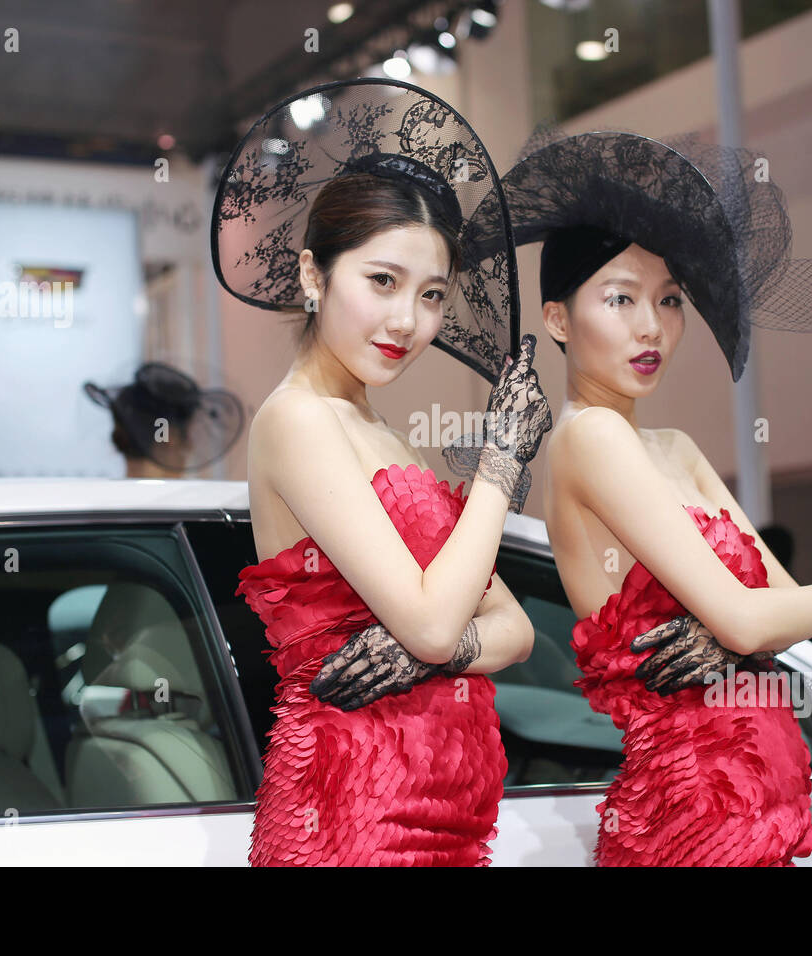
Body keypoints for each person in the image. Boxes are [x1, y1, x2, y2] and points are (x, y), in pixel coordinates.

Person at [476, 125, 812, 866]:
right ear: (559, 317)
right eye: (620, 299)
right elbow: (757, 619)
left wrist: (772, 620)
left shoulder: (676, 450)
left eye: (669, 299)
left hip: (766, 800)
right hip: (693, 810)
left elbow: (787, 613)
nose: (652, 326)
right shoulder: (590, 439)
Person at [216, 79, 552, 866]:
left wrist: (422, 653)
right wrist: (501, 464)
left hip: (444, 812)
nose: (408, 321)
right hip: (351, 810)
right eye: (382, 282)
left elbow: (517, 629)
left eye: (432, 294)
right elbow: (439, 622)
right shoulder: (296, 420)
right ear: (311, 275)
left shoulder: (380, 433)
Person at [83, 361, 245, 477]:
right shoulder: (192, 511)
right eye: (188, 434)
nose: (190, 446)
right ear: (171, 438)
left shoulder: (102, 506)